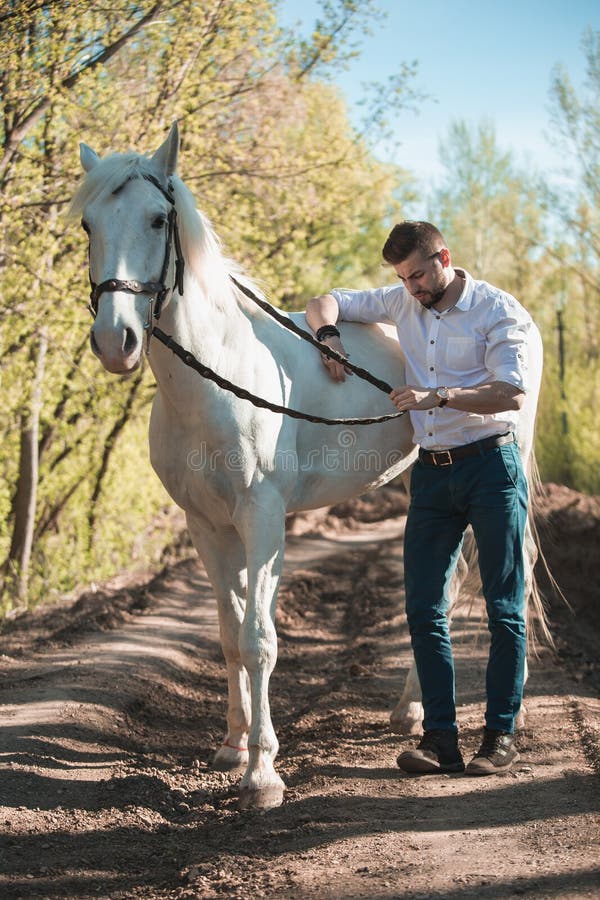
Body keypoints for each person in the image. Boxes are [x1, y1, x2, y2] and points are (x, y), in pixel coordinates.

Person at [306, 220, 534, 776]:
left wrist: (441, 396)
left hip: (491, 466)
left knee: (503, 608)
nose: (412, 288)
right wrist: (328, 335)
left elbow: (511, 388)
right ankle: (440, 740)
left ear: (444, 258)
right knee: (425, 609)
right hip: (431, 476)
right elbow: (324, 301)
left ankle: (500, 736)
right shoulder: (402, 300)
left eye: (419, 275)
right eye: (403, 279)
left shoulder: (498, 311)